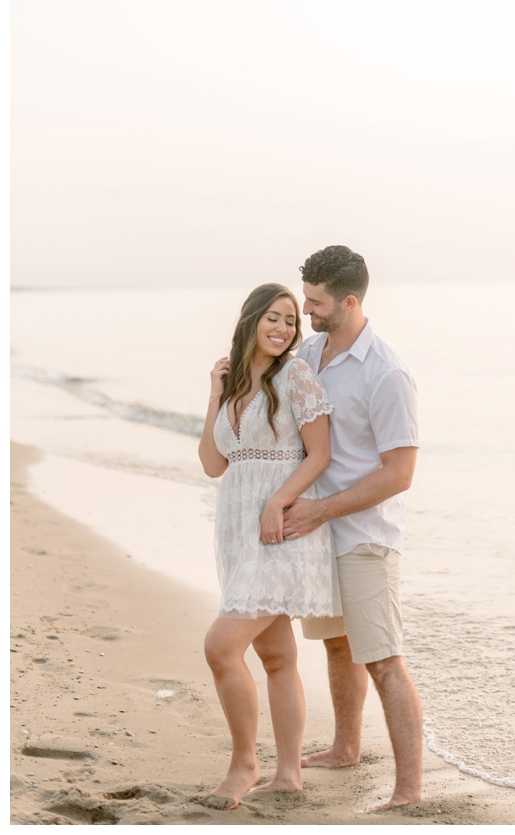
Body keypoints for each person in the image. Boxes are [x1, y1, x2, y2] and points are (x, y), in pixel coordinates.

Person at [279, 245, 424, 809]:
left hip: (365, 537)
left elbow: (401, 473)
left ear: (349, 300)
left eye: (315, 302)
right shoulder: (309, 354)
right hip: (318, 535)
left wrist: (322, 509)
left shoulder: (387, 374)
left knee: (384, 659)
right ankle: (345, 747)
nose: (306, 311)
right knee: (337, 646)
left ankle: (409, 790)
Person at [197, 283, 338, 807]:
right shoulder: (233, 382)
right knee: (276, 657)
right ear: (251, 320)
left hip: (278, 531)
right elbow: (214, 465)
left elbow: (319, 454)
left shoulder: (296, 375)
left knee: (220, 646)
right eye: (273, 319)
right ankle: (288, 775)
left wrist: (277, 502)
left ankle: (244, 765)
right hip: (238, 533)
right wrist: (214, 392)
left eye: (290, 321)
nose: (282, 329)